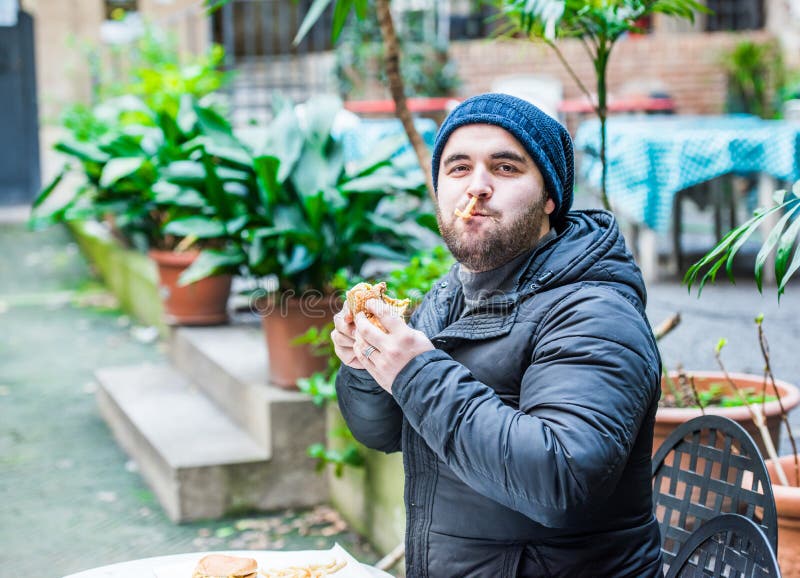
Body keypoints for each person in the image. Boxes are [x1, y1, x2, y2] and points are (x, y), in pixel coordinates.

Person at [331, 93, 662, 577]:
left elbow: (562, 480)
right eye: (458, 168)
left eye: (505, 168)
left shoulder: (596, 312)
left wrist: (416, 373)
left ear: (550, 197)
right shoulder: (452, 292)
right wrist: (367, 364)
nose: (477, 186)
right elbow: (380, 431)